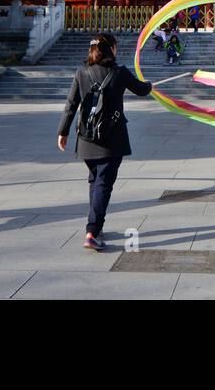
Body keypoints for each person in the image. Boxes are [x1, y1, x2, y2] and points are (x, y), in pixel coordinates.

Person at [57, 33, 152, 251]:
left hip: (86, 138)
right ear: (111, 49)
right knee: (103, 184)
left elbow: (71, 104)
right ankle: (92, 231)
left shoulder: (82, 73)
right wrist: (150, 85)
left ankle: (96, 227)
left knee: (95, 180)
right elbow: (142, 90)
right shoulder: (120, 73)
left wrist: (63, 131)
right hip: (112, 139)